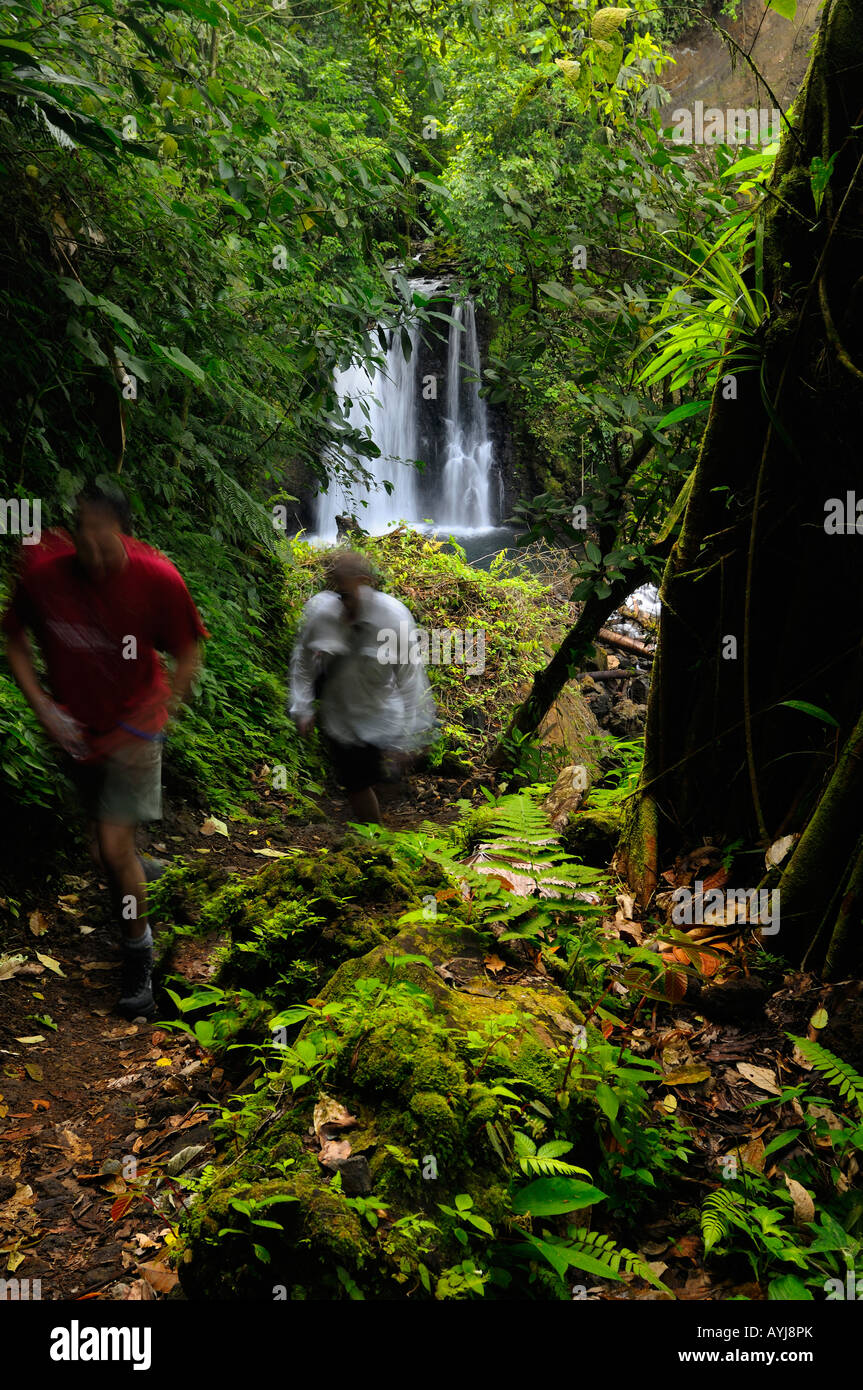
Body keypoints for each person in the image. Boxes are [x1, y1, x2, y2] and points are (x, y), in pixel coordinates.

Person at [2, 482, 208, 1019]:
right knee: (105, 853)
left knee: (113, 849)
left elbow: (188, 651)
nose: (90, 544)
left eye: (101, 532)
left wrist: (163, 714)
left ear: (124, 533)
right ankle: (144, 874)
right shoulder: (47, 577)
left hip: (138, 727)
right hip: (79, 732)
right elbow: (15, 640)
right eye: (82, 529)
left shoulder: (157, 579)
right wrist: (43, 706)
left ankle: (140, 959)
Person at [289, 550, 436, 822]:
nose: (342, 604)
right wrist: (303, 707)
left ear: (364, 581)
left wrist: (416, 732)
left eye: (347, 594)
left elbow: (410, 677)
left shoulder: (393, 619)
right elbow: (303, 660)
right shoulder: (321, 614)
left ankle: (384, 816)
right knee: (357, 785)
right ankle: (373, 842)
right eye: (338, 594)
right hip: (340, 719)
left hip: (381, 717)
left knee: (380, 781)